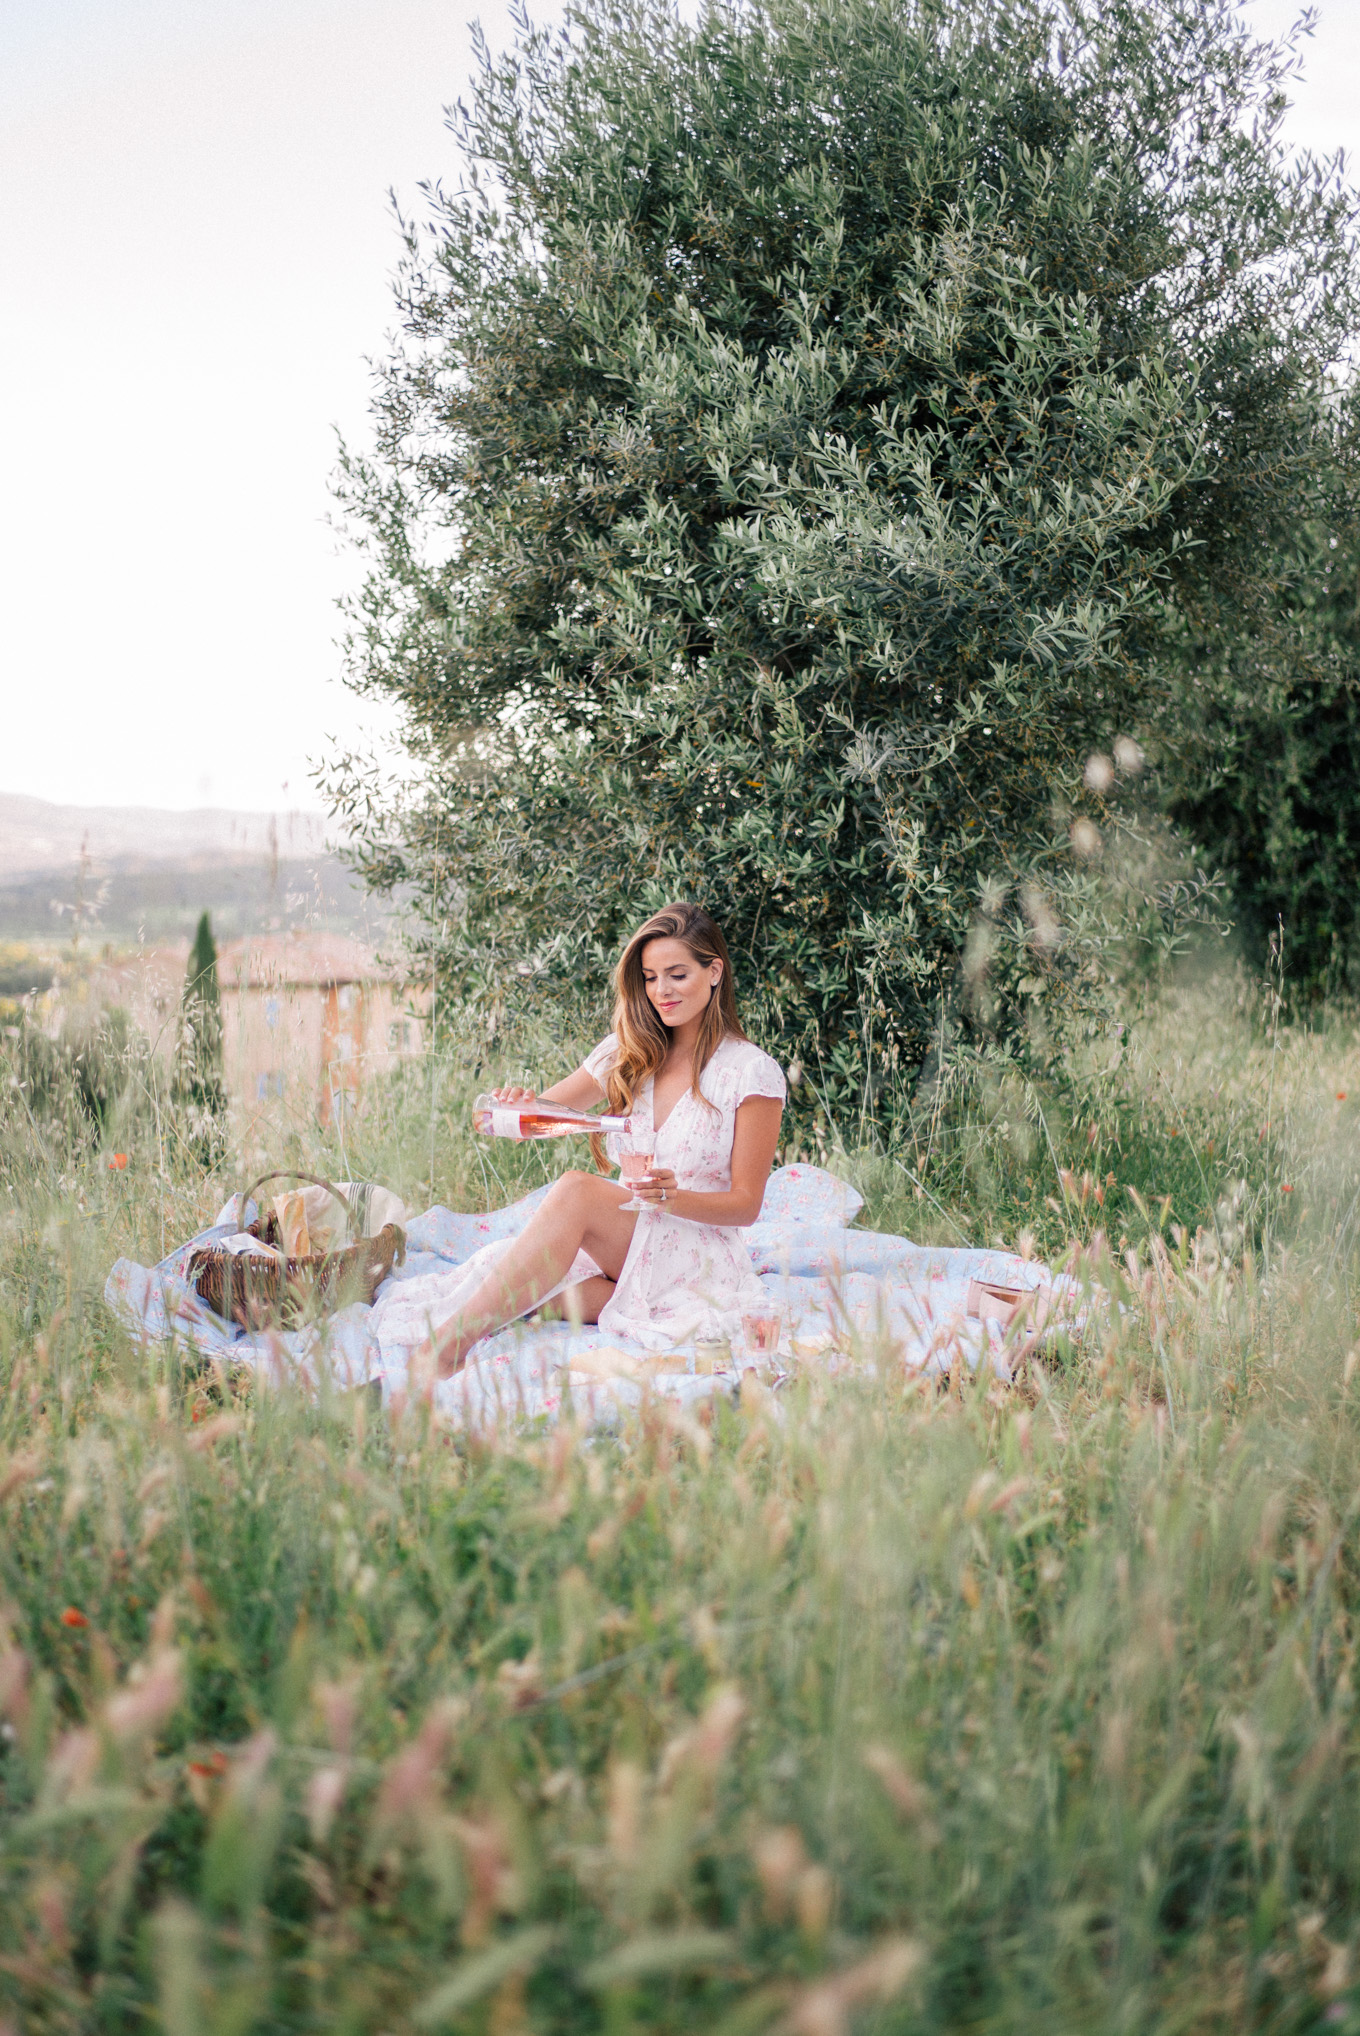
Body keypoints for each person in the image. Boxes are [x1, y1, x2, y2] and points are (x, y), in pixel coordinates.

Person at [418, 902, 787, 1376]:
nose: (661, 991)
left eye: (676, 974)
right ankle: (565, 1303)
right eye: (651, 977)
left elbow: (746, 1205)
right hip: (632, 1233)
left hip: (698, 1247)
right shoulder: (627, 1052)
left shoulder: (750, 1073)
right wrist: (516, 1107)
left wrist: (673, 1197)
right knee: (541, 1287)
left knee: (577, 1191)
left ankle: (446, 1349)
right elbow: (540, 1115)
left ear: (714, 971)